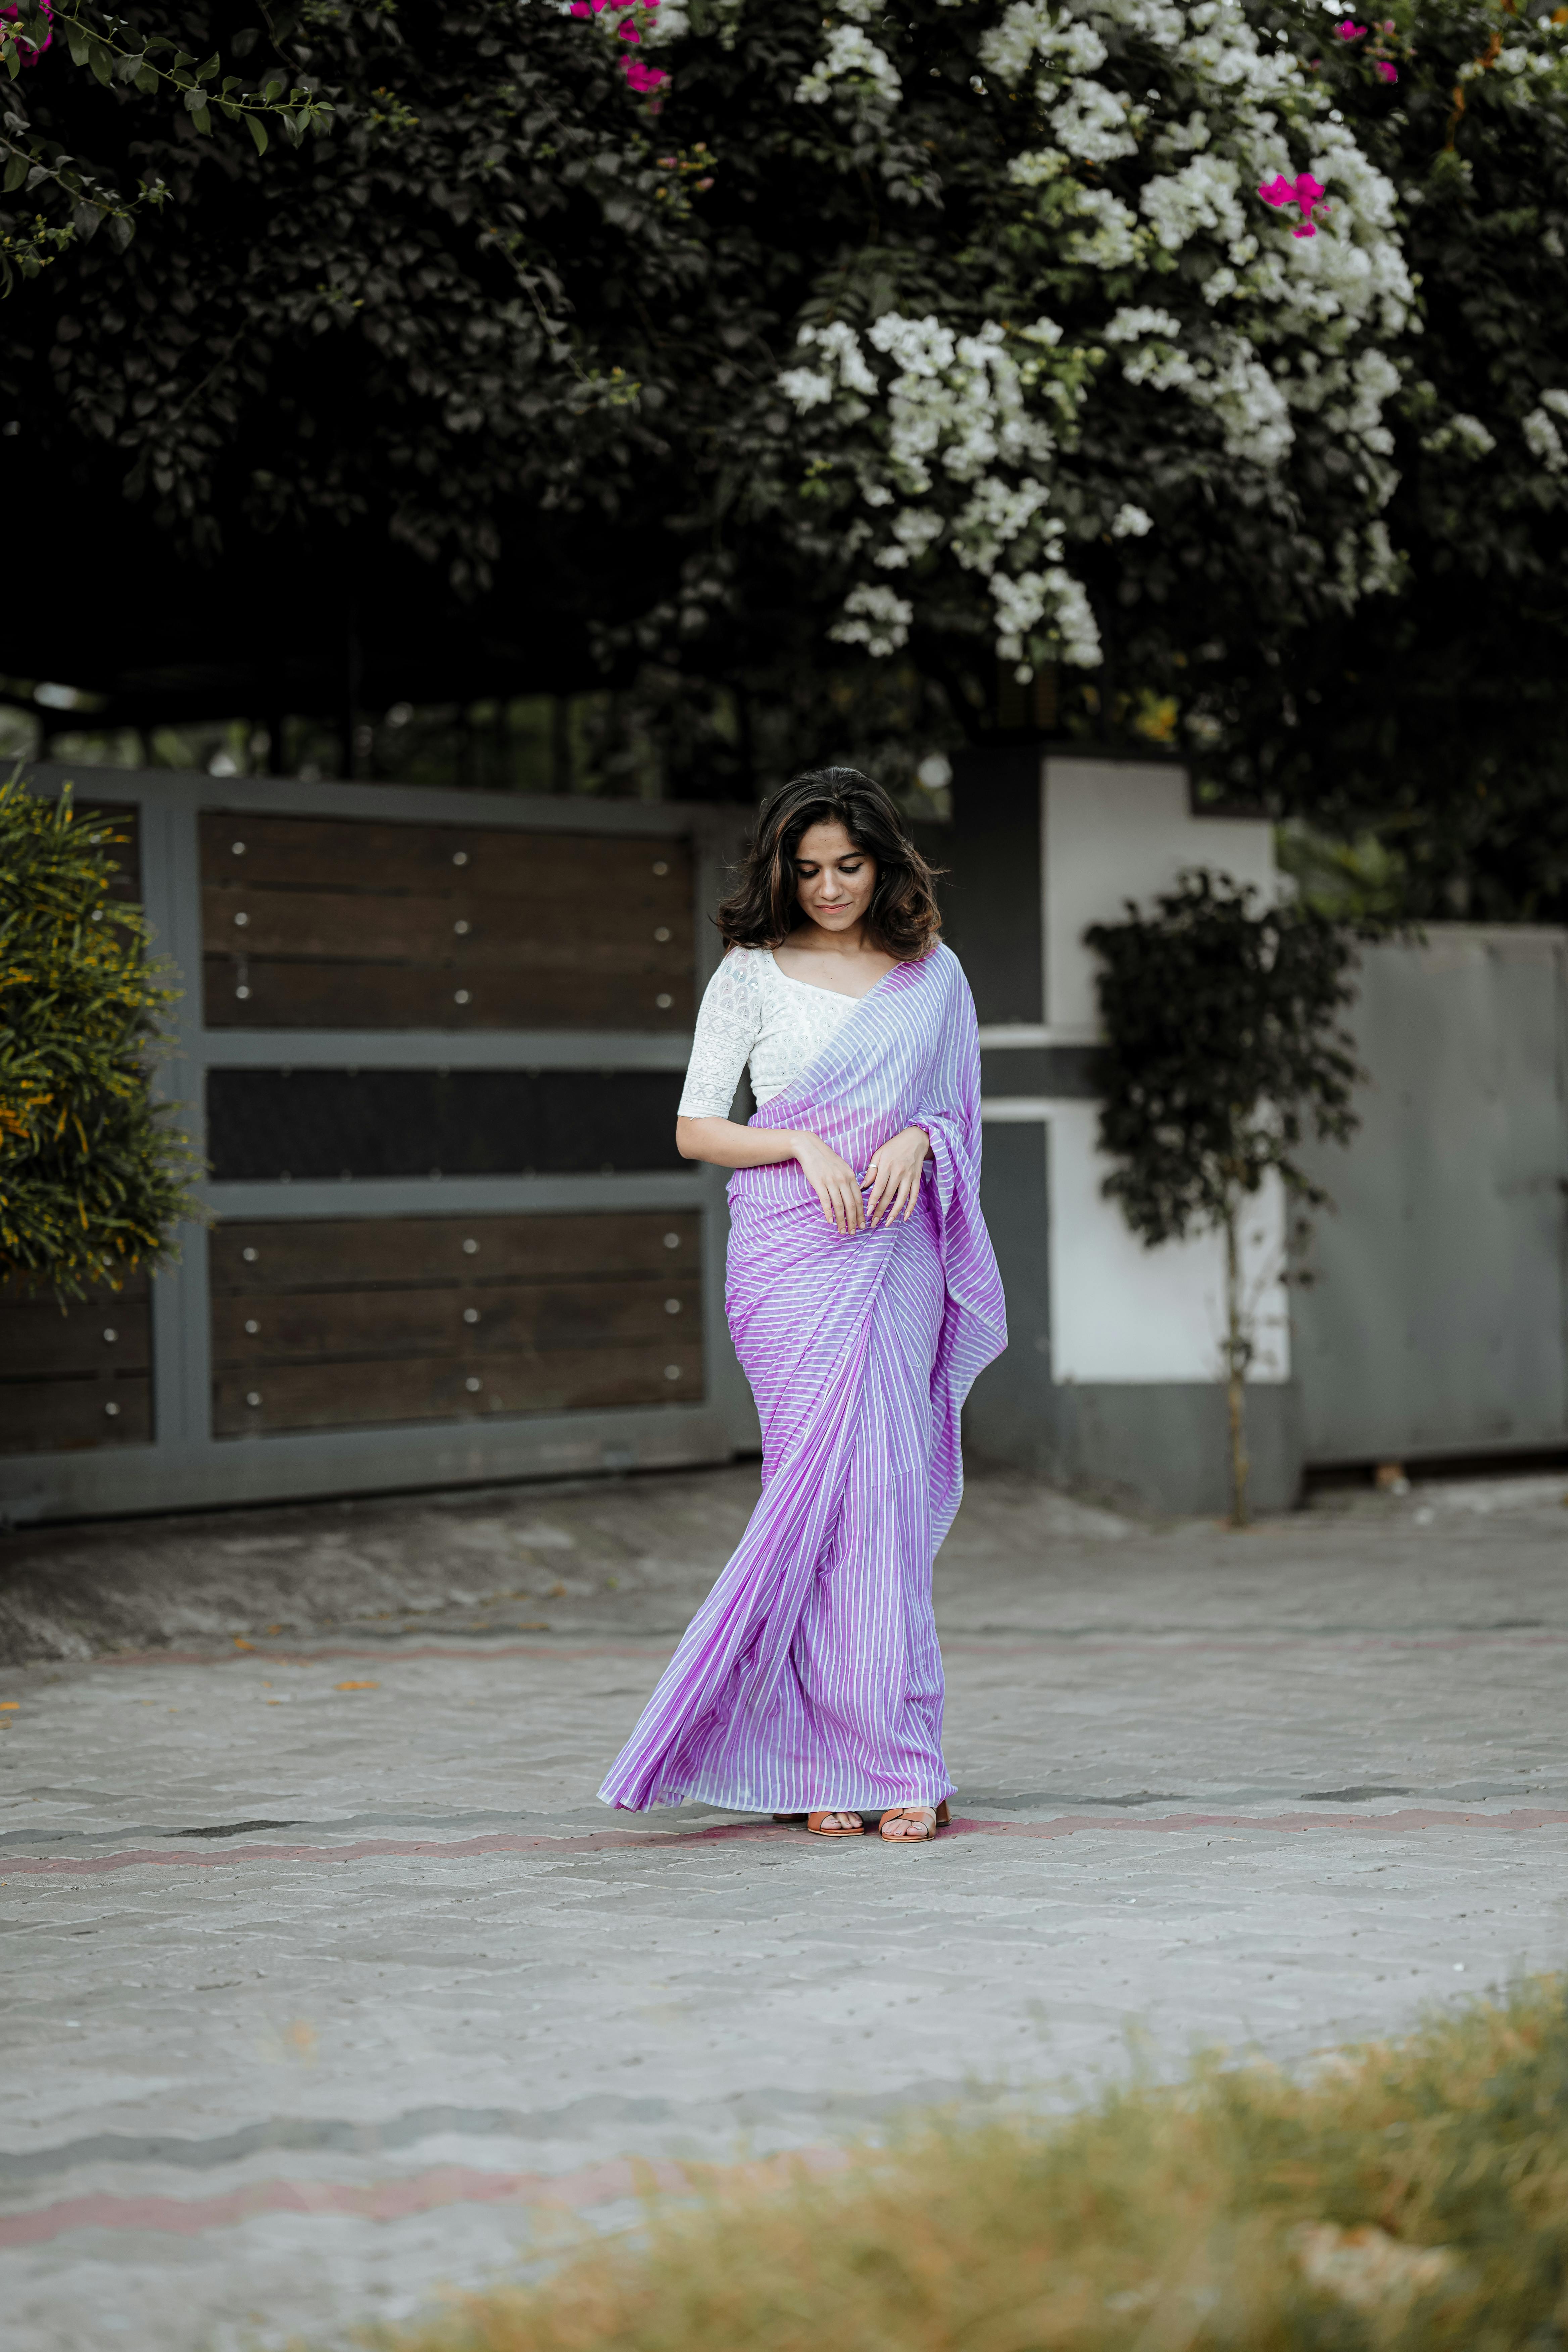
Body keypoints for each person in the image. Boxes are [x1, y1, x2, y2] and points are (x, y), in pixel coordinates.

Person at [598, 768, 1006, 1842]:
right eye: (809, 868)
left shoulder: (932, 975)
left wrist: (922, 1138)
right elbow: (697, 1126)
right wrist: (798, 1141)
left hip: (897, 1252)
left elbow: (959, 1112)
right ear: (782, 870)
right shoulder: (750, 973)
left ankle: (900, 1759)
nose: (829, 888)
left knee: (884, 1502)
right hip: (790, 1257)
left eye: (850, 866)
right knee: (815, 1506)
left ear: (885, 864)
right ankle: (813, 1757)